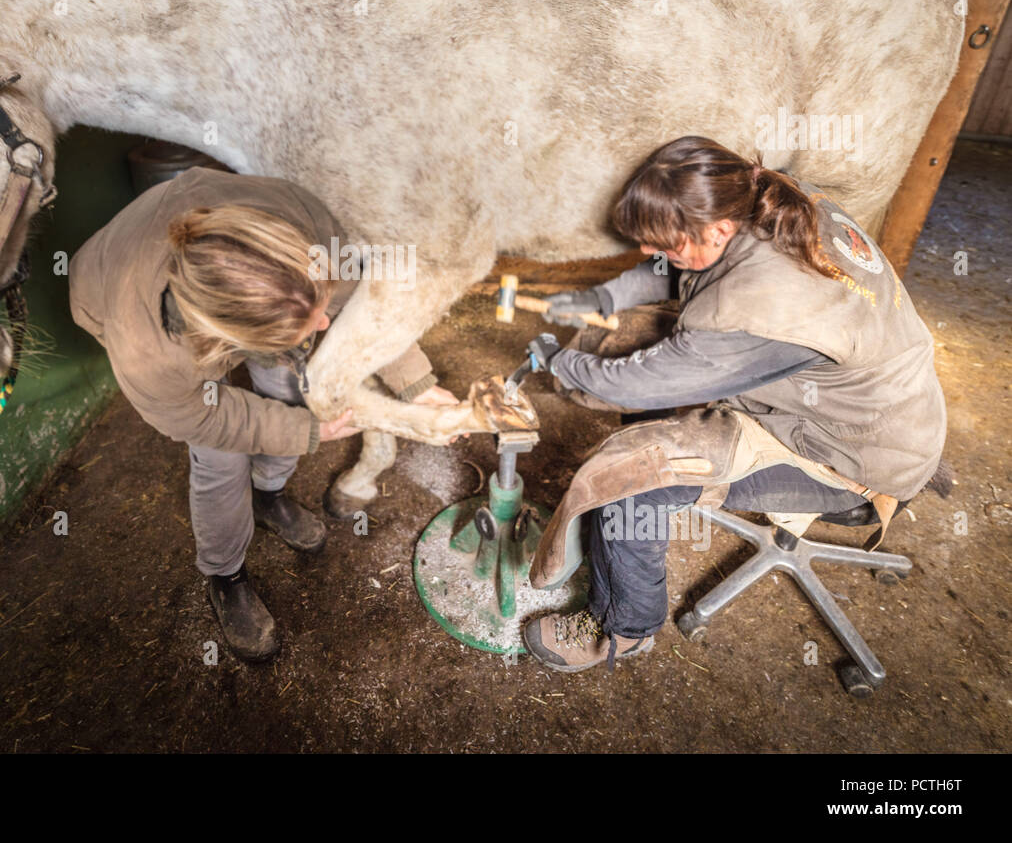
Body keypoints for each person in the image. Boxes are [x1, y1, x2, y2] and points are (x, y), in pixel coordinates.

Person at [518, 136, 945, 673]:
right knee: (630, 346)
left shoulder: (765, 303)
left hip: (848, 455)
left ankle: (624, 629)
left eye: (664, 242)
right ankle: (617, 550)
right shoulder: (763, 197)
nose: (653, 253)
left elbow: (637, 385)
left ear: (716, 229)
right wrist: (604, 299)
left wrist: (559, 362)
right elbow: (675, 267)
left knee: (628, 483)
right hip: (865, 406)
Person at [68, 167, 457, 663]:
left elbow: (352, 299)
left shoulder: (301, 218)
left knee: (292, 384)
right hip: (120, 299)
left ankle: (268, 495)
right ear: (229, 340)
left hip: (250, 288)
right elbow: (201, 418)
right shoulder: (152, 352)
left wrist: (416, 382)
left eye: (318, 306)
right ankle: (225, 573)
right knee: (221, 457)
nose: (323, 325)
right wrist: (306, 431)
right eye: (310, 322)